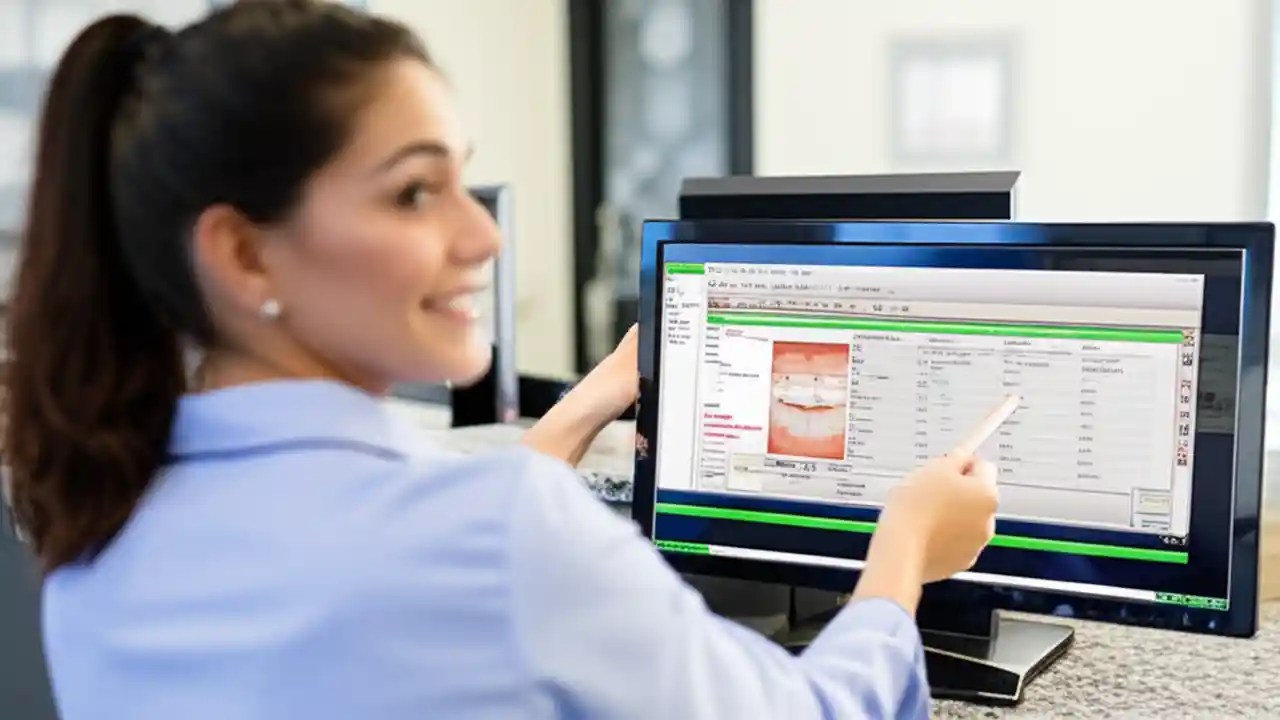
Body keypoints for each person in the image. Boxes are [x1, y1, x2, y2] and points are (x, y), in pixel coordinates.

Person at [3, 2, 999, 718]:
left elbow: (423, 566)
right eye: (412, 193)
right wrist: (902, 554)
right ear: (242, 250)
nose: (483, 237)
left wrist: (580, 410)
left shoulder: (96, 521)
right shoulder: (503, 542)